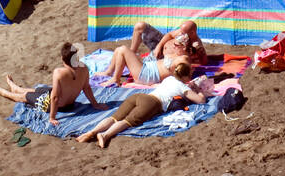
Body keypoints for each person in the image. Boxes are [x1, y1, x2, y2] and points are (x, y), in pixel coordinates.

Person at [76, 62, 205, 148]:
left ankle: (91, 132)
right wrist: (199, 90)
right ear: (186, 76)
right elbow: (201, 101)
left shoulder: (169, 79)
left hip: (139, 96)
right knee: (128, 121)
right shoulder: (183, 87)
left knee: (114, 117)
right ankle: (105, 135)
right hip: (153, 103)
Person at [0, 44, 102, 129]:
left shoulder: (59, 72)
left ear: (63, 59)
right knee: (39, 90)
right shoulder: (84, 68)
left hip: (57, 105)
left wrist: (52, 117)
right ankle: (15, 87)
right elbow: (86, 88)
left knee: (25, 96)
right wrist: (95, 104)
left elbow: (55, 98)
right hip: (69, 102)